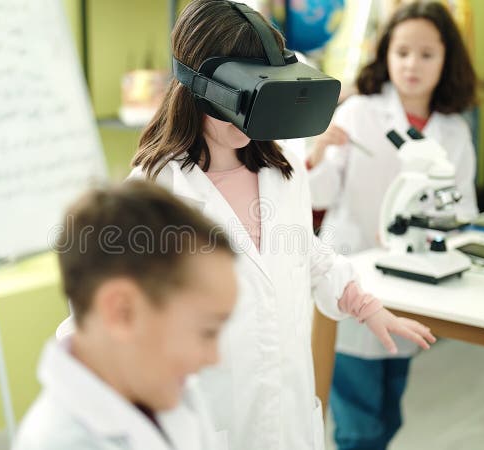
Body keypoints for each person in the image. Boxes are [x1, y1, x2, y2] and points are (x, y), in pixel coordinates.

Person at [125, 1, 436, 449]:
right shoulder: (157, 193)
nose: (254, 121)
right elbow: (109, 310)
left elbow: (305, 253)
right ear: (198, 88)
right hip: (210, 416)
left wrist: (365, 307)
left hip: (288, 411)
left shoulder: (282, 167)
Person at [306, 2, 479, 449]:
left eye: (426, 54)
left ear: (447, 60)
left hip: (411, 285)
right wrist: (318, 148)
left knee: (387, 412)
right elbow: (317, 195)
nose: (411, 65)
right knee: (360, 424)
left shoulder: (454, 130)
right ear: (385, 55)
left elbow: (462, 214)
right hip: (352, 273)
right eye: (402, 52)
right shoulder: (358, 113)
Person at [15, 181, 238, 450]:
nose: (214, 358)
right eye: (207, 332)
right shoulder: (60, 442)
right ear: (121, 311)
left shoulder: (171, 389)